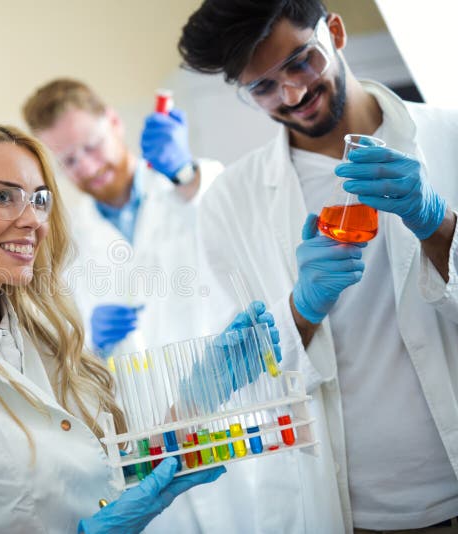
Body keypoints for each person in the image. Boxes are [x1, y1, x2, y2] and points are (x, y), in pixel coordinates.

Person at [0, 120, 229, 533]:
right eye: (2, 196)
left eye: (39, 199)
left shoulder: (45, 346)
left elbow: (98, 474)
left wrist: (196, 401)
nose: (32, 219)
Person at [178, 0, 458, 532]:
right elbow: (248, 378)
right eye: (261, 87)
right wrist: (301, 309)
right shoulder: (230, 204)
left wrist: (438, 225)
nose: (293, 93)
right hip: (355, 513)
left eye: (300, 61)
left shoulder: (451, 138)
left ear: (335, 31)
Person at [22, 79, 225, 356]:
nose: (87, 167)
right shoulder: (66, 241)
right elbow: (68, 355)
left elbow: (232, 231)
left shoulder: (193, 185)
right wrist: (91, 339)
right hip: (139, 395)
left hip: (225, 387)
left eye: (92, 146)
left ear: (114, 121)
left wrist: (185, 174)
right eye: (68, 161)